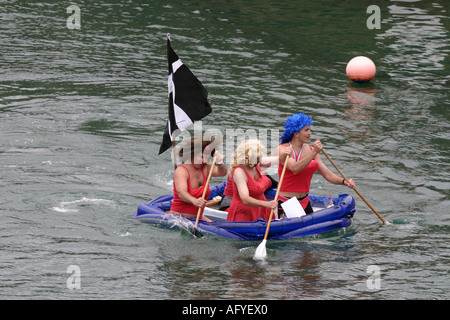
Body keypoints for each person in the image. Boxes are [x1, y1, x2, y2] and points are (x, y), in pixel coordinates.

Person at [277, 113, 356, 214]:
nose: (310, 133)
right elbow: (294, 168)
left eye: (309, 129)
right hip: (287, 202)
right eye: (306, 130)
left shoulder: (310, 149)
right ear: (296, 133)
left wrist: (344, 181)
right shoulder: (283, 149)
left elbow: (327, 174)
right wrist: (314, 152)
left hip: (305, 201)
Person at [226, 139, 290, 222]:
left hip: (261, 210)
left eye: (259, 158)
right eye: (257, 158)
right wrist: (266, 204)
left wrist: (286, 153)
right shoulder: (239, 172)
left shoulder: (255, 162)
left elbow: (279, 159)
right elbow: (245, 199)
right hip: (244, 214)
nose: (259, 160)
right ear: (248, 157)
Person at [170, 137, 227, 222]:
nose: (203, 161)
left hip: (198, 218)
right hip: (179, 218)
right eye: (201, 157)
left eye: (206, 158)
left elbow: (222, 173)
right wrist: (194, 201)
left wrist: (220, 164)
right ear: (192, 154)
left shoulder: (207, 168)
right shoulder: (181, 171)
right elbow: (181, 193)